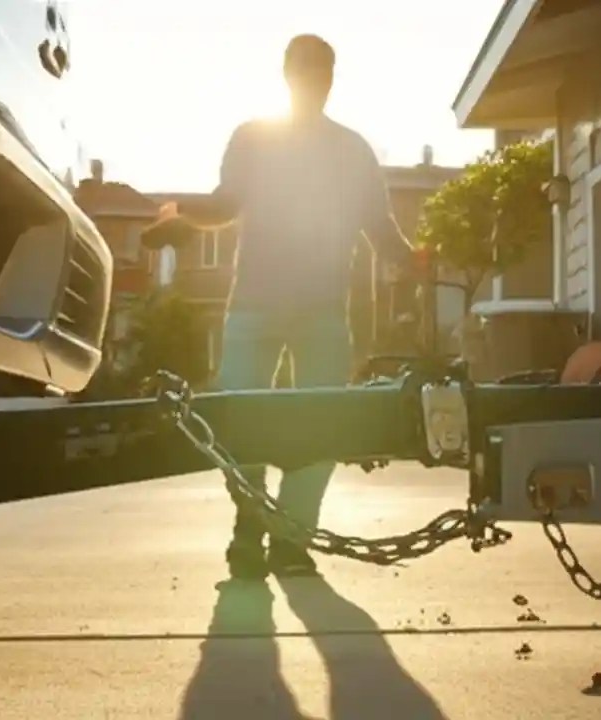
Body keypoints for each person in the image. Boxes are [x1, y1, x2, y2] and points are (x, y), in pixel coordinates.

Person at [142, 34, 416, 580]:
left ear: (332, 79)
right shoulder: (252, 139)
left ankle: (291, 542)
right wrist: (183, 220)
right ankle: (250, 527)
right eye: (304, 70)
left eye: (322, 72)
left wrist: (412, 262)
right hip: (254, 304)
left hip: (323, 311)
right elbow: (226, 203)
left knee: (324, 427)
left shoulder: (353, 150)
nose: (313, 80)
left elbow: (378, 227)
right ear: (287, 75)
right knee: (240, 424)